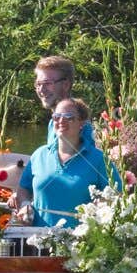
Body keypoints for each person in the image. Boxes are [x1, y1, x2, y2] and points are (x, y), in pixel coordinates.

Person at [15, 99, 118, 228]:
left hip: (81, 242)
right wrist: (25, 205)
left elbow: (116, 194)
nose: (61, 121)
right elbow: (23, 188)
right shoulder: (39, 155)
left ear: (81, 123)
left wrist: (96, 212)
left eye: (68, 117)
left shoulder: (98, 159)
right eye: (56, 117)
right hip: (38, 240)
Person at [33, 55, 95, 148]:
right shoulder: (53, 123)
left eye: (48, 83)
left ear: (65, 85)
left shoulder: (80, 126)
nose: (41, 89)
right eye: (38, 84)